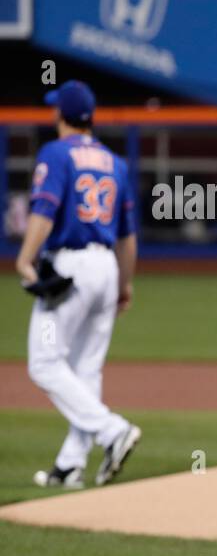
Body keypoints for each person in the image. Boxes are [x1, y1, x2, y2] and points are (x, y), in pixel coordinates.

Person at [16, 81, 142, 489]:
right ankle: (71, 464)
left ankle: (112, 430)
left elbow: (44, 210)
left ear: (63, 116)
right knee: (86, 367)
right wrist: (124, 285)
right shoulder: (114, 162)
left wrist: (25, 257)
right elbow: (128, 237)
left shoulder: (56, 153)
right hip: (105, 267)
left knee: (44, 361)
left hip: (70, 268)